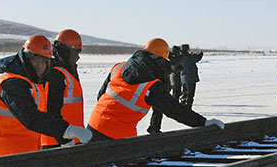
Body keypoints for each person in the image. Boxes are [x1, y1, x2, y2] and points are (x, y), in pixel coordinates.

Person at [88, 38, 223, 140]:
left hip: (94, 124)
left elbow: (101, 95)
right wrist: (203, 123)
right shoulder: (150, 85)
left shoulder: (120, 67)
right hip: (119, 135)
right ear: (160, 60)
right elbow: (175, 110)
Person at [0, 35, 90, 157]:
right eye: (35, 60)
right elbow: (31, 118)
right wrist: (66, 130)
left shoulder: (35, 81)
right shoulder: (12, 83)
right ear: (25, 59)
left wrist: (62, 139)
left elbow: (46, 114)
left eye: (43, 61)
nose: (39, 66)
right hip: (1, 155)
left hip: (23, 152)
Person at [40, 29, 88, 148]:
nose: (78, 57)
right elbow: (52, 111)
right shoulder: (56, 74)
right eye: (76, 52)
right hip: (57, 143)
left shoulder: (66, 71)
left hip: (71, 138)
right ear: (66, 51)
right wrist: (62, 139)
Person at [149, 45, 184, 134]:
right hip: (159, 88)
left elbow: (169, 69)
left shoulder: (163, 60)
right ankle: (154, 129)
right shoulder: (159, 61)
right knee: (158, 110)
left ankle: (153, 128)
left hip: (162, 86)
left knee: (158, 110)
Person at [178, 43, 204, 108]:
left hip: (183, 78)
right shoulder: (187, 57)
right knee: (190, 95)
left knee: (185, 94)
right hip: (190, 78)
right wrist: (200, 53)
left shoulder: (180, 56)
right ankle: (188, 109)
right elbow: (196, 58)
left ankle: (183, 107)